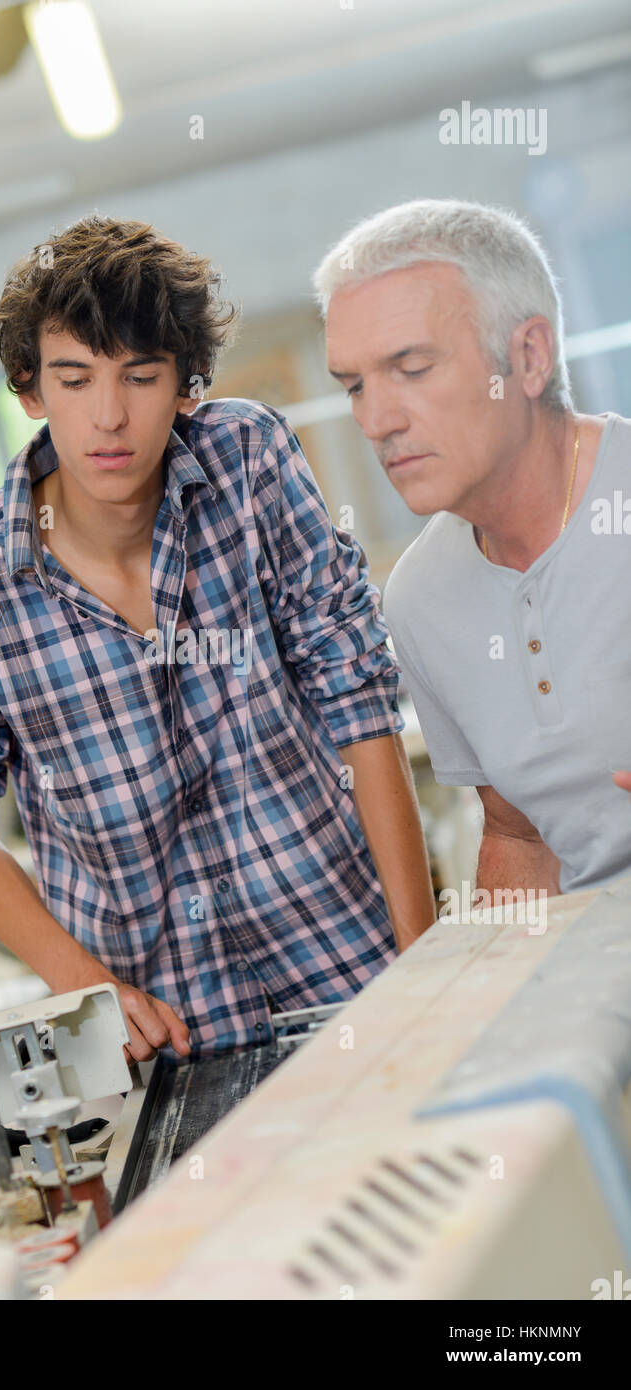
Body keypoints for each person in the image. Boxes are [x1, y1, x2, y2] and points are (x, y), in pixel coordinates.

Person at [0, 215, 435, 1063]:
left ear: (188, 384)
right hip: (166, 1029)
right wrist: (82, 985)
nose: (108, 417)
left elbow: (355, 693)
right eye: (74, 380)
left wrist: (420, 951)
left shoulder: (248, 459)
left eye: (139, 377)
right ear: (30, 392)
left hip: (348, 955)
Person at [313, 198, 631, 902]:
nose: (376, 420)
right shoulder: (419, 597)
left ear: (527, 356)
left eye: (411, 368)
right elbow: (518, 832)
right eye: (354, 385)